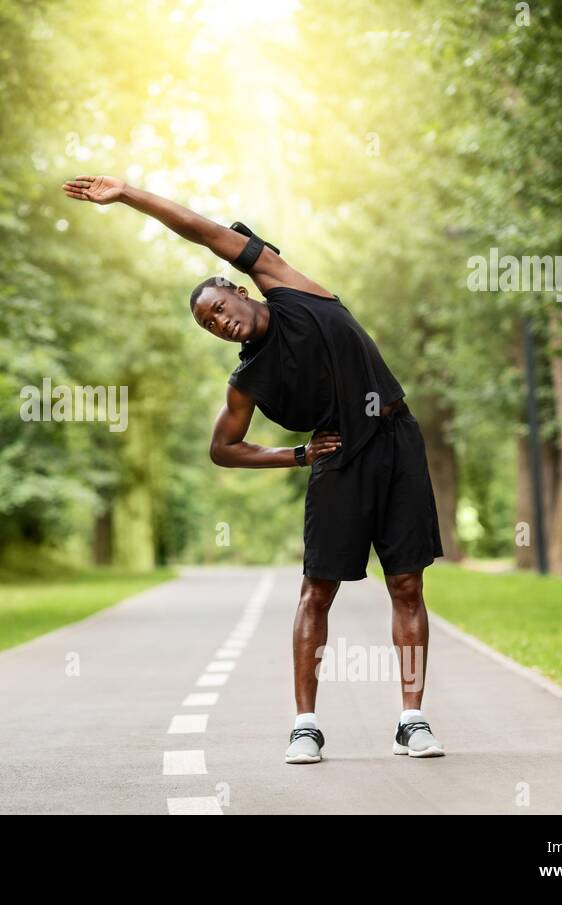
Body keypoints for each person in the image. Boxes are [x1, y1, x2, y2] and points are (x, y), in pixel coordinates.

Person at [63, 174, 446, 764]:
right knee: (317, 591)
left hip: (397, 439)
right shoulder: (247, 381)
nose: (220, 322)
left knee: (407, 584)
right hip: (338, 461)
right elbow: (223, 448)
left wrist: (128, 195)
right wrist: (293, 456)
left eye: (219, 307)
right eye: (209, 325)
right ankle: (305, 726)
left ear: (239, 289)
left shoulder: (288, 284)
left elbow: (203, 230)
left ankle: (413, 720)